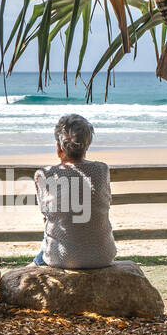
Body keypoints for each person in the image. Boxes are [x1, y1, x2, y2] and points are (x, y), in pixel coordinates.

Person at [32, 114, 115, 269]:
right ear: (87, 145)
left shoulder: (43, 175)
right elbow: (106, 201)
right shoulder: (102, 170)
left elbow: (46, 213)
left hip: (60, 257)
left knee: (37, 259)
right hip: (103, 255)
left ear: (58, 147)